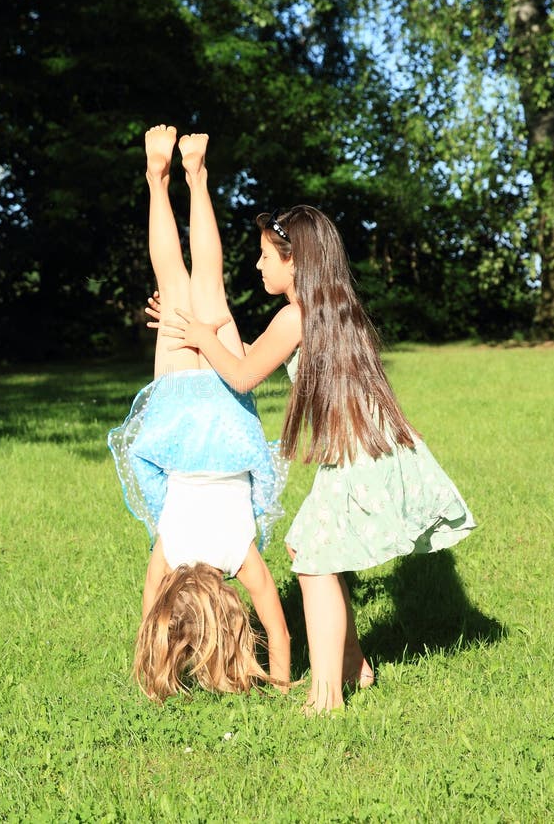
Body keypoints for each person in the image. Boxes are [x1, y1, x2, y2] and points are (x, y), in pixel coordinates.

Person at [157, 204, 476, 713]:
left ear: (295, 261)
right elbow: (249, 354)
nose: (258, 266)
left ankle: (327, 696)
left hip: (360, 457)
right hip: (374, 449)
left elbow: (240, 376)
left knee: (312, 558)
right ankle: (353, 666)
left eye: (265, 256)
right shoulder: (329, 309)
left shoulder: (295, 316)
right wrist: (199, 332)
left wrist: (199, 338)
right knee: (311, 552)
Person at [108, 125, 290, 700]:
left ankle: (194, 174)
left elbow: (279, 632)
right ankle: (162, 179)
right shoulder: (171, 547)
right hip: (177, 420)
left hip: (226, 421)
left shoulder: (241, 554)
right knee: (179, 280)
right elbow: (148, 609)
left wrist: (282, 683)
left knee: (204, 284)